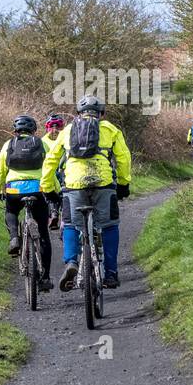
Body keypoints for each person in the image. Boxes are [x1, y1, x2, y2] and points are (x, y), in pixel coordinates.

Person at [40, 95, 131, 291]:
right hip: (103, 183)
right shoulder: (110, 129)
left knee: (72, 224)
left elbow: (50, 160)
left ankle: (72, 262)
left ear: (78, 114)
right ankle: (111, 273)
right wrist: (124, 183)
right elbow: (123, 158)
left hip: (74, 184)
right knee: (109, 225)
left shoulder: (68, 130)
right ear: (102, 114)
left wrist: (47, 187)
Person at [0, 115, 53, 290]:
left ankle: (14, 239)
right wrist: (54, 191)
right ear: (34, 130)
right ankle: (45, 277)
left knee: (11, 212)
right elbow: (51, 169)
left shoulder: (8, 145)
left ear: (15, 130)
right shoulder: (42, 144)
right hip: (38, 190)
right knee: (44, 234)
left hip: (14, 190)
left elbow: (1, 172)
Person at [42, 113, 67, 230]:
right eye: (52, 126)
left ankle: (57, 215)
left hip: (63, 170)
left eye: (58, 127)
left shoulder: (65, 140)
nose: (55, 130)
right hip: (50, 171)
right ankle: (54, 214)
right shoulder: (42, 142)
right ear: (47, 128)